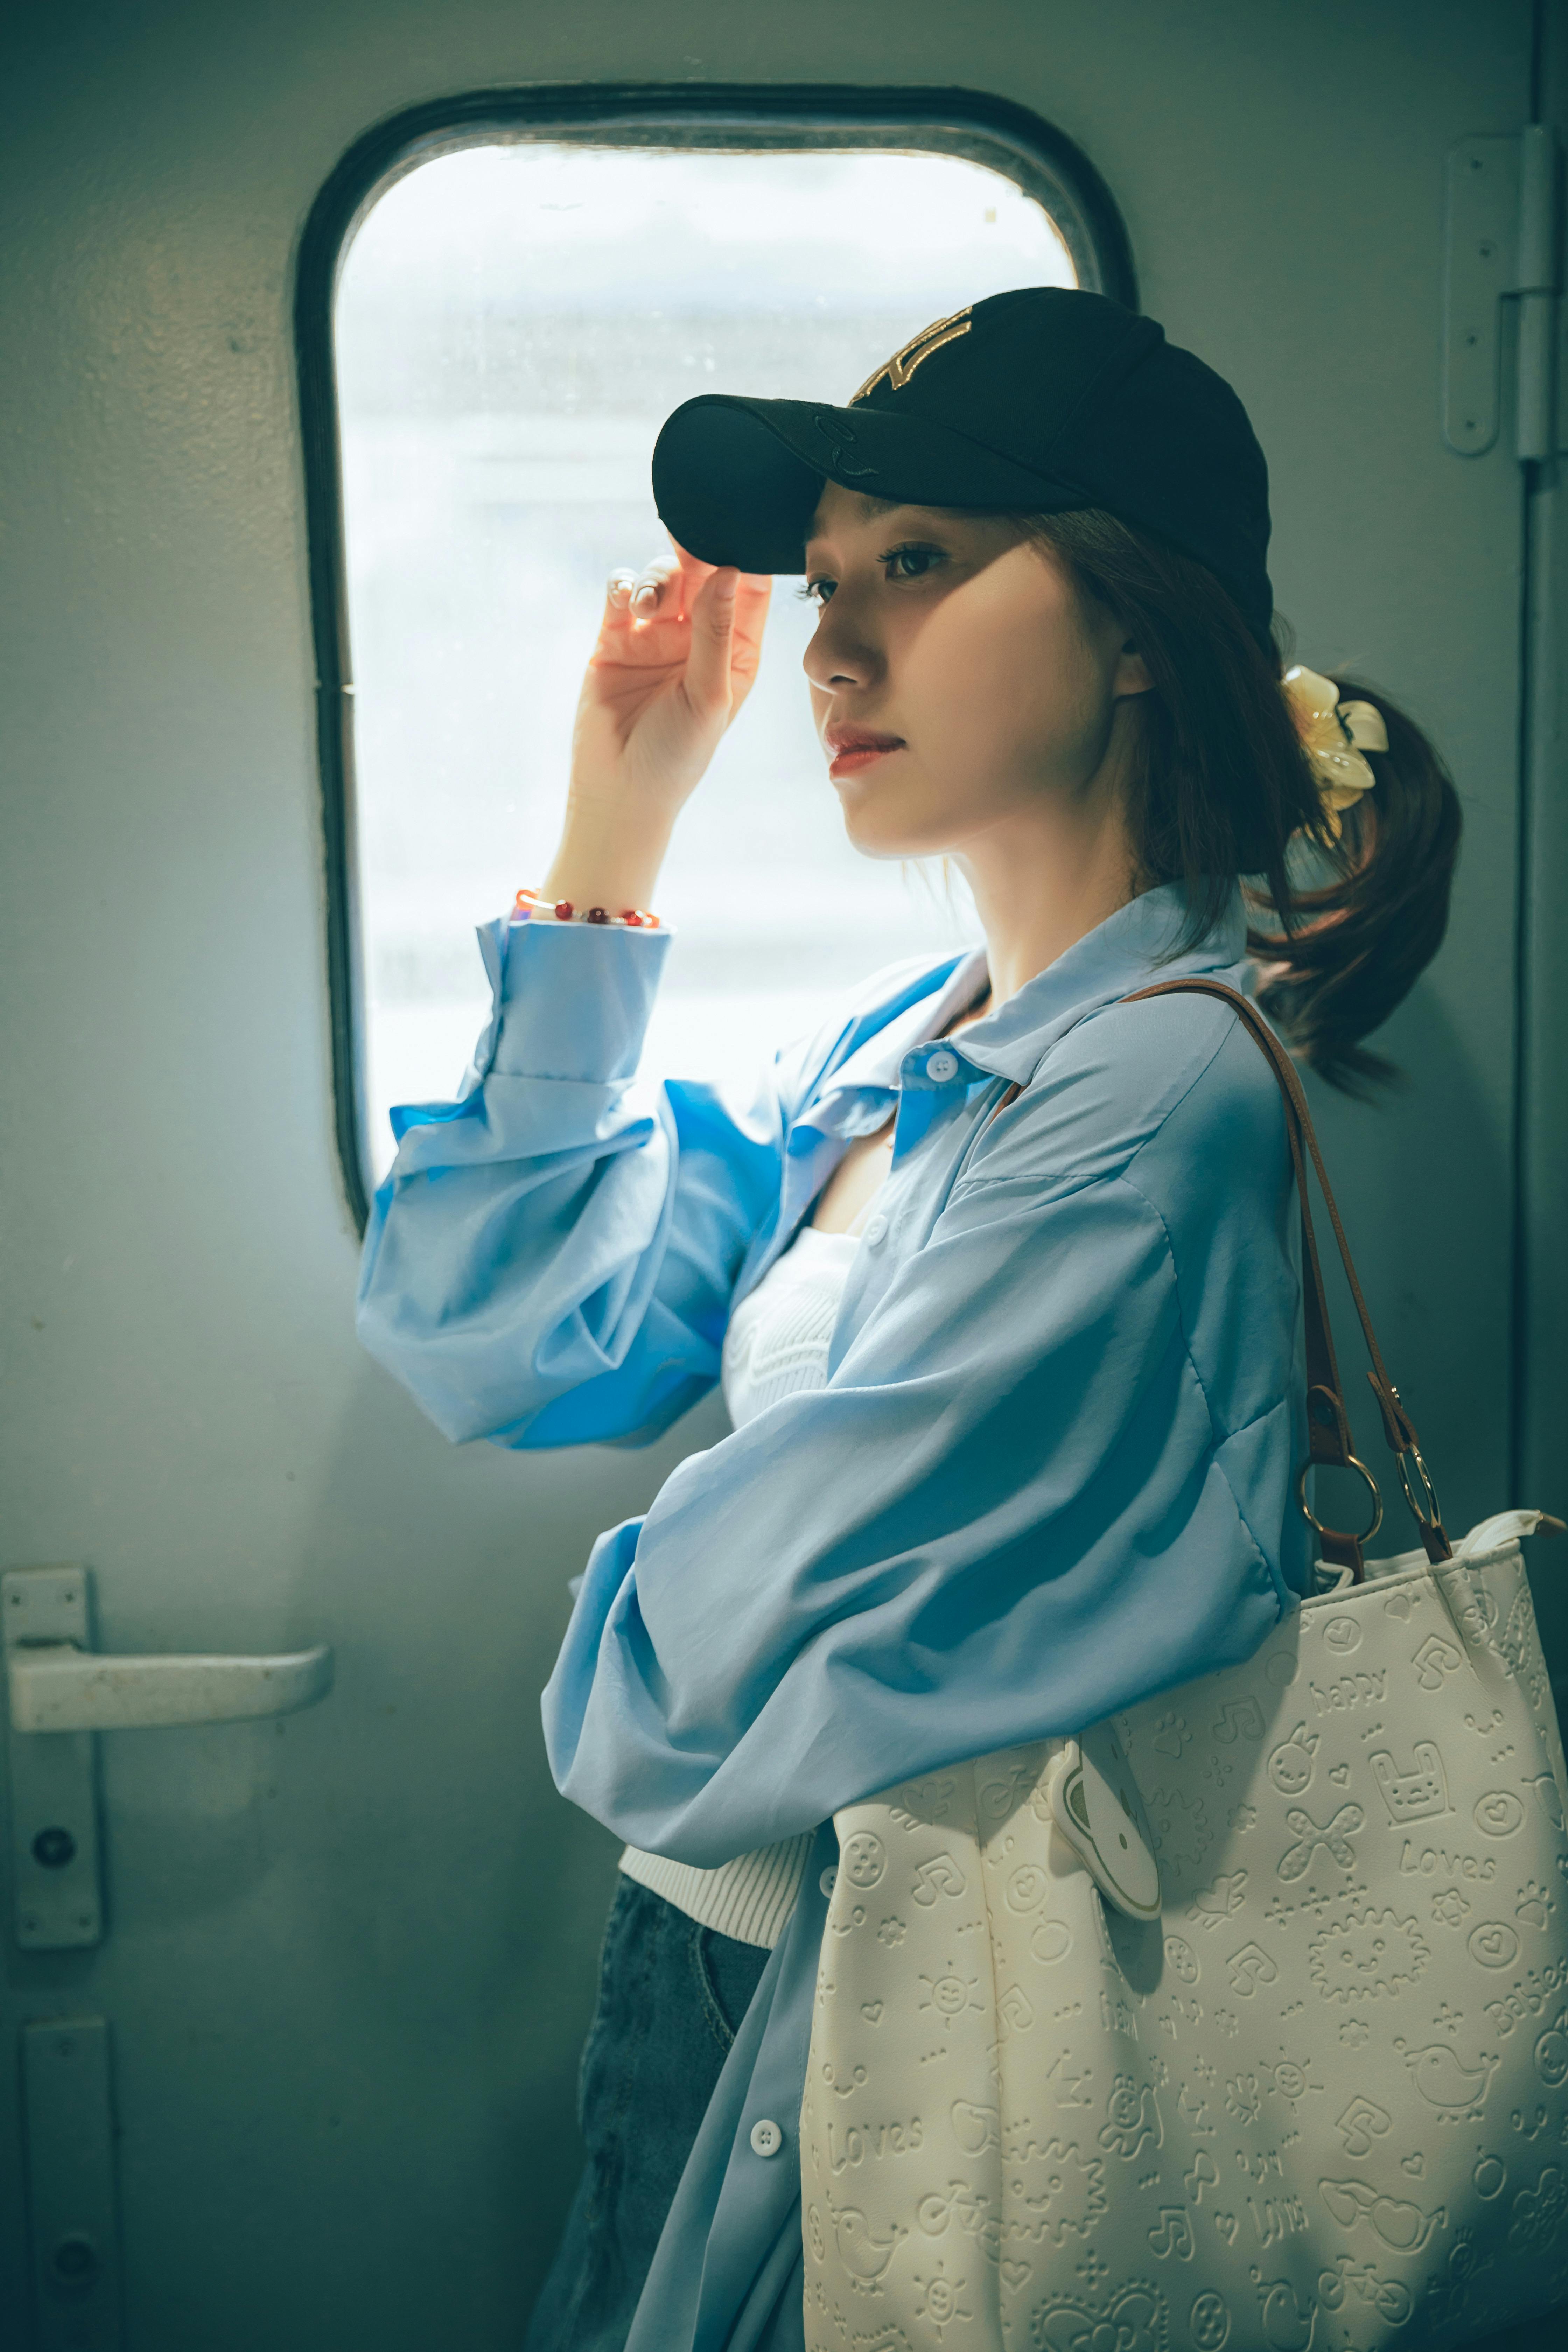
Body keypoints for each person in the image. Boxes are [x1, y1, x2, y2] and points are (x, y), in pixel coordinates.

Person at [356, 287, 1461, 2352]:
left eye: (923, 562)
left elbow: (680, 1697)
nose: (834, 650)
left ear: (1136, 626)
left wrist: (674, 1606)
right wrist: (616, 825)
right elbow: (492, 1338)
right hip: (713, 1974)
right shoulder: (899, 1045)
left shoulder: (1160, 1091)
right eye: (827, 580)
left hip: (884, 2011)